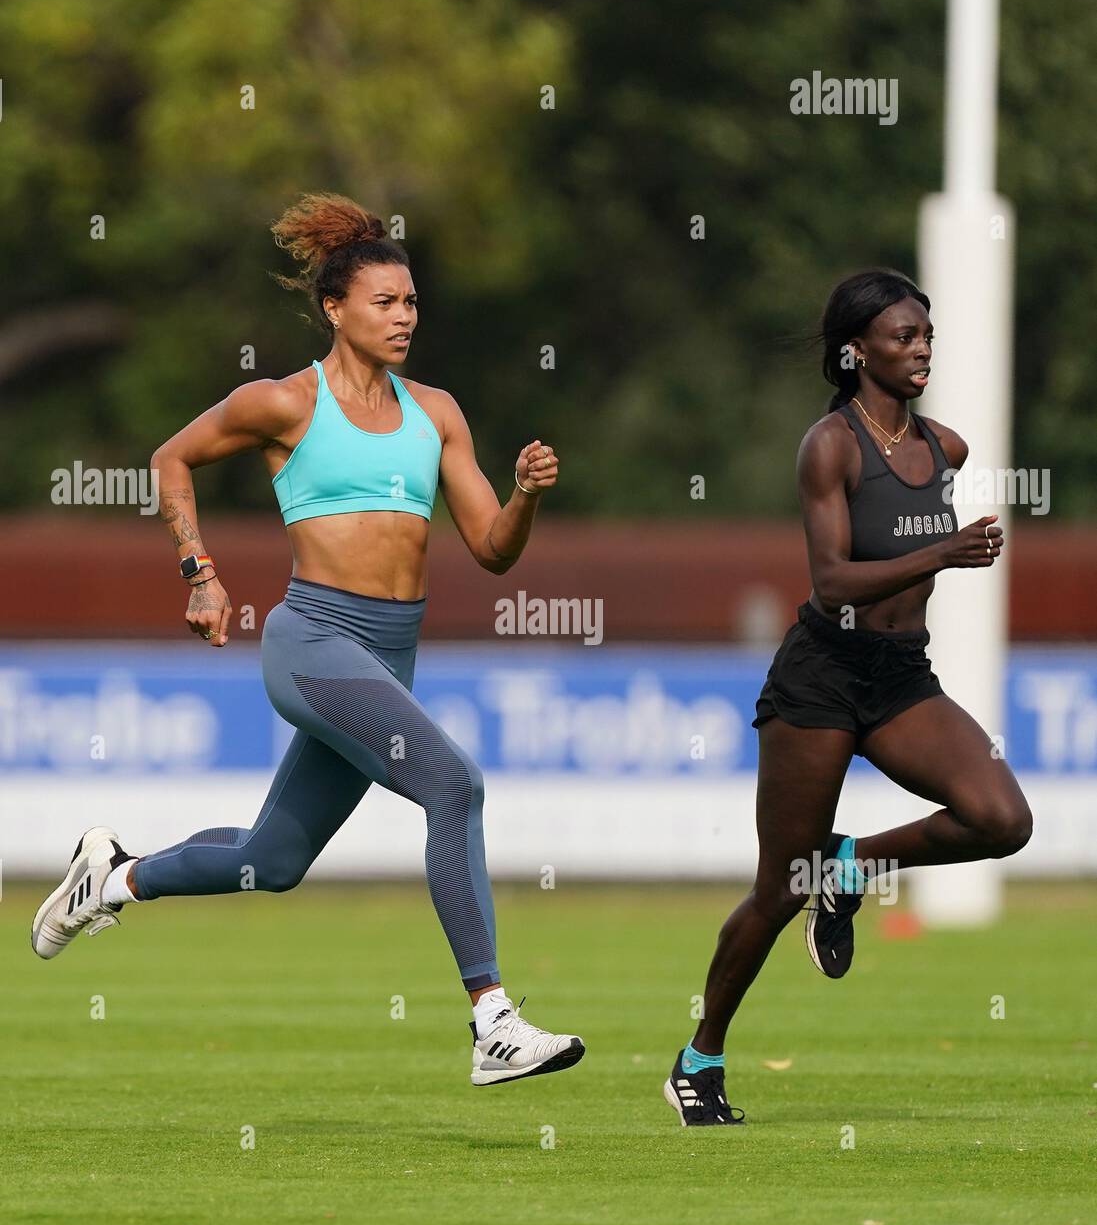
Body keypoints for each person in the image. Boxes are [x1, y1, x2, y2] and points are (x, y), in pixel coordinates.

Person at [32, 192, 585, 1089]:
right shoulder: (282, 402)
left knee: (270, 861)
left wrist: (523, 493)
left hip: (388, 654)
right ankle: (492, 1019)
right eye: (385, 302)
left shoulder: (438, 413)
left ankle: (114, 878)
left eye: (411, 302)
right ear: (335, 308)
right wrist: (199, 574)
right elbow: (169, 459)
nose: (404, 317)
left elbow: (490, 551)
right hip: (314, 642)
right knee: (454, 783)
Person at [664, 268, 1032, 1127]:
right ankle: (699, 1056)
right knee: (775, 888)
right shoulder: (828, 446)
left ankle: (851, 866)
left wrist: (937, 552)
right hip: (821, 677)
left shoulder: (945, 448)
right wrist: (941, 552)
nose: (921, 350)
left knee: (1000, 819)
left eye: (926, 336)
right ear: (854, 349)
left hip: (902, 678)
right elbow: (831, 581)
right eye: (903, 338)